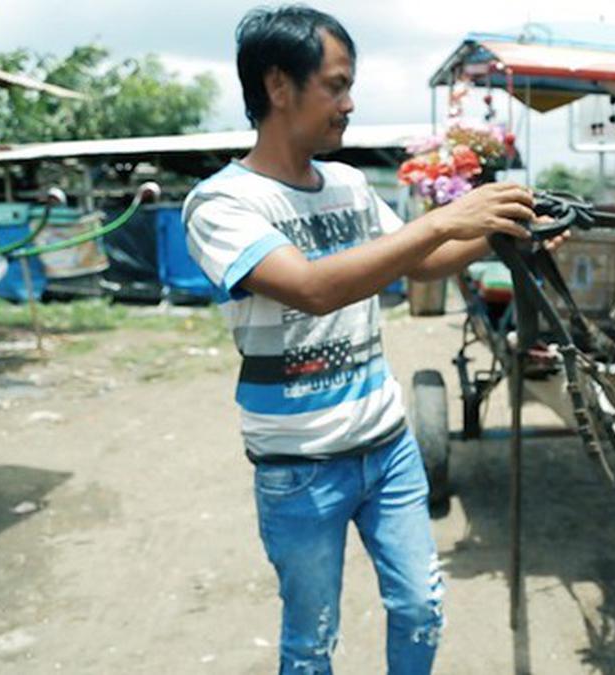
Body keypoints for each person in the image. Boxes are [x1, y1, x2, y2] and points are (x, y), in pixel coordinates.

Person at [182, 6, 540, 673]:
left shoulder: (347, 184)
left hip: (388, 447)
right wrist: (440, 222)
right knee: (311, 640)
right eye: (337, 85)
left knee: (420, 605)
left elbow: (418, 262)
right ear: (280, 85)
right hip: (301, 466)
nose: (350, 103)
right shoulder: (221, 204)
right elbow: (313, 286)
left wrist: (502, 230)